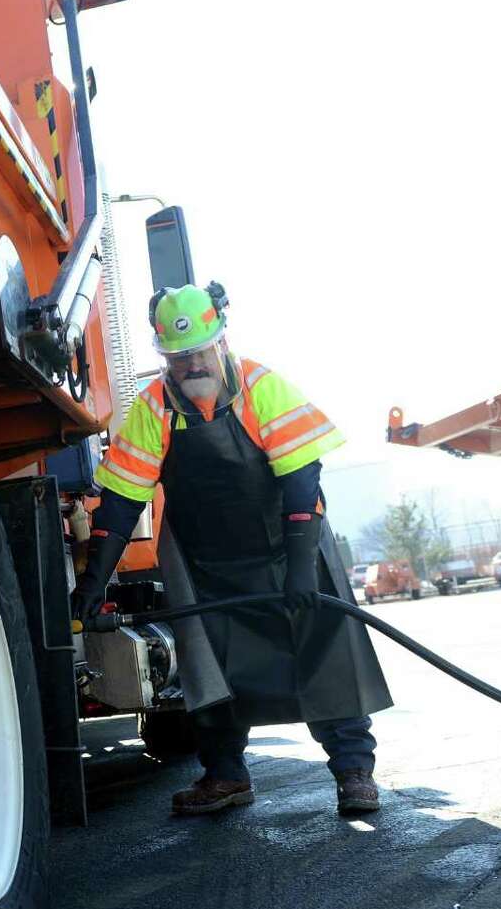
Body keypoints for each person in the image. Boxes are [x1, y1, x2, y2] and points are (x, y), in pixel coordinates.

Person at [72, 283, 392, 815]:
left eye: (200, 351)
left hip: (289, 546)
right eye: (178, 357)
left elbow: (300, 483)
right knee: (210, 672)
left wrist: (298, 570)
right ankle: (225, 776)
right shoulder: (154, 409)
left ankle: (354, 772)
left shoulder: (263, 388)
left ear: (221, 342)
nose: (191, 364)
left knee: (326, 658)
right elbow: (122, 502)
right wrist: (93, 581)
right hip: (205, 564)